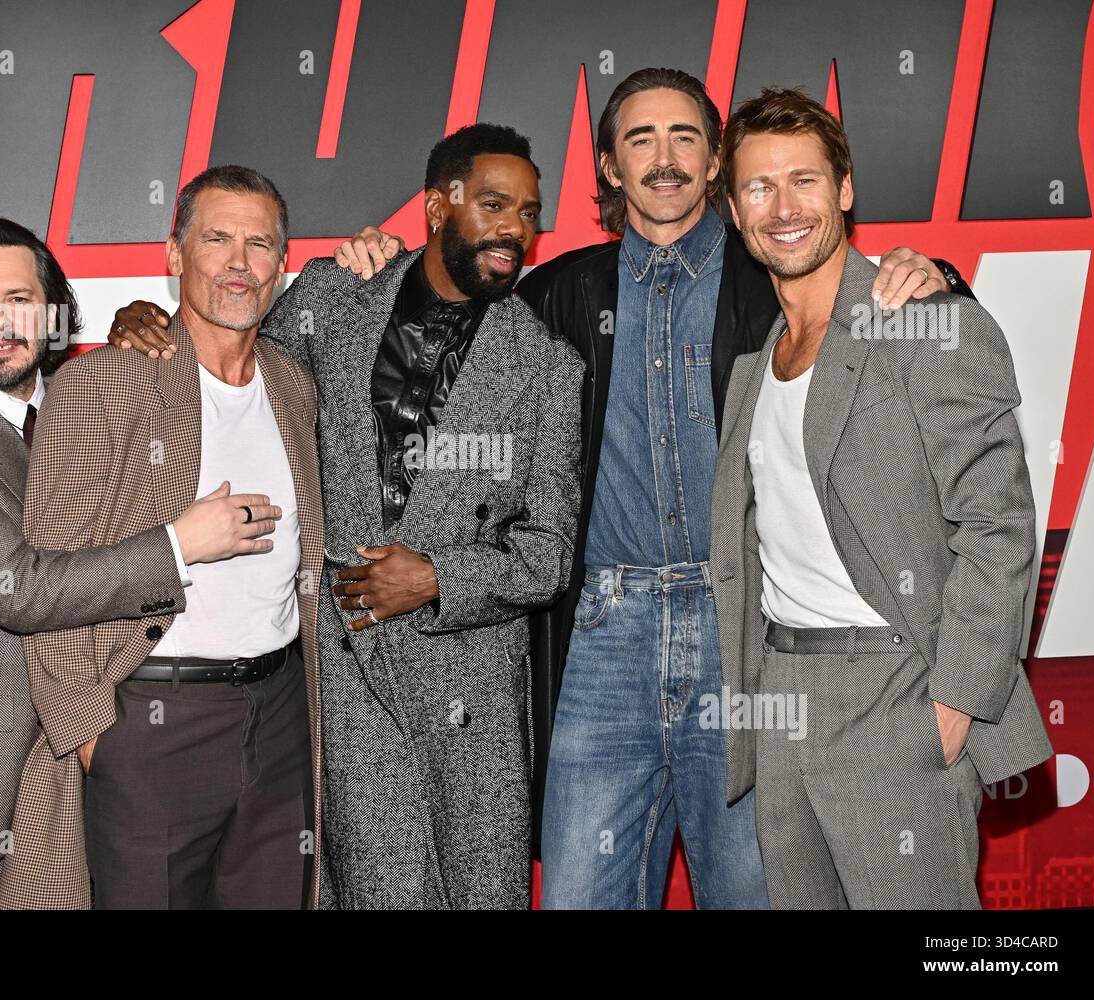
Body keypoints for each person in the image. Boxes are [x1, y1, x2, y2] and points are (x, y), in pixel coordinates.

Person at [335, 68, 974, 910]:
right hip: (603, 639)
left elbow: (899, 339)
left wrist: (938, 280)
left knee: (756, 890)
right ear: (608, 167)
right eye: (640, 139)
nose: (664, 158)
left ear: (716, 164)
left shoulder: (779, 279)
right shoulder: (557, 294)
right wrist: (373, 265)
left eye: (685, 138)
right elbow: (440, 307)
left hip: (742, 629)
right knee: (578, 896)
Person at [108, 124, 584, 908]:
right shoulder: (335, 296)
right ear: (438, 206)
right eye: (494, 204)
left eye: (530, 213)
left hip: (475, 694)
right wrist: (144, 320)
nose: (515, 230)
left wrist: (438, 577)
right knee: (373, 888)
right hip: (347, 673)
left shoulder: (547, 365)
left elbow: (551, 550)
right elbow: (230, 359)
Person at [712, 87, 1051, 907]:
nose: (783, 208)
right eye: (760, 187)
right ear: (732, 206)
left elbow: (998, 529)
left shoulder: (927, 323)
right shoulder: (753, 366)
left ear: (846, 189)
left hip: (895, 692)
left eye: (805, 181)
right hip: (781, 699)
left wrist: (953, 708)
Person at [0, 216, 264, 908]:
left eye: (19, 301)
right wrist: (180, 544)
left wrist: (152, 333)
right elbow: (19, 588)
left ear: (52, 313)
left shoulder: (89, 406)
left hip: (95, 766)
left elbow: (236, 343)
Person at [0, 167, 324, 909]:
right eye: (217, 239)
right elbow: (49, 576)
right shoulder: (101, 385)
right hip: (150, 724)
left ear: (282, 263)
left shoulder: (295, 388)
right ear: (176, 255)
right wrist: (91, 736)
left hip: (279, 719)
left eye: (259, 243)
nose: (239, 263)